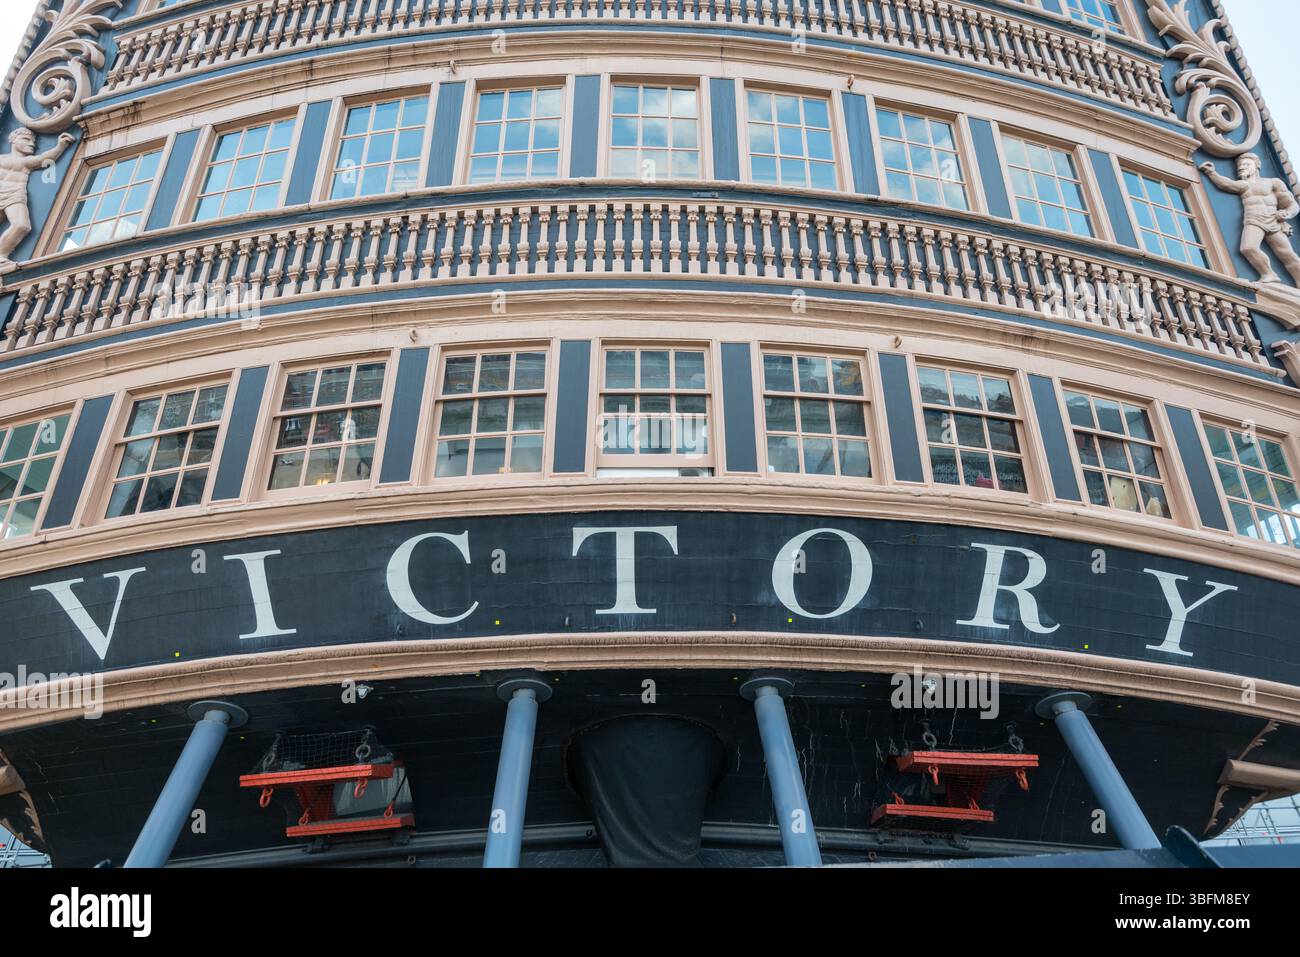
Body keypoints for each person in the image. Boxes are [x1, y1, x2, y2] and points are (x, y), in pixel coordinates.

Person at [1200, 154, 1300, 285]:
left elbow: (1292, 204)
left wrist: (1286, 214)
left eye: (1246, 164)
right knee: (1248, 248)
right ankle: (1269, 274)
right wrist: (1211, 172)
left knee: (1287, 254)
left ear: (1256, 165)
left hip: (1273, 220)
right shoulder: (1244, 185)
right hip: (1253, 220)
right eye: (1240, 166)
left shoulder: (1273, 183)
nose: (1241, 167)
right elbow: (1226, 184)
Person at [0, 127, 76, 273]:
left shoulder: (27, 161)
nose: (32, 144)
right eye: (26, 140)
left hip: (15, 196)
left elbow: (45, 159)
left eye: (33, 141)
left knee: (22, 225)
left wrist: (60, 145)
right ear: (13, 140)